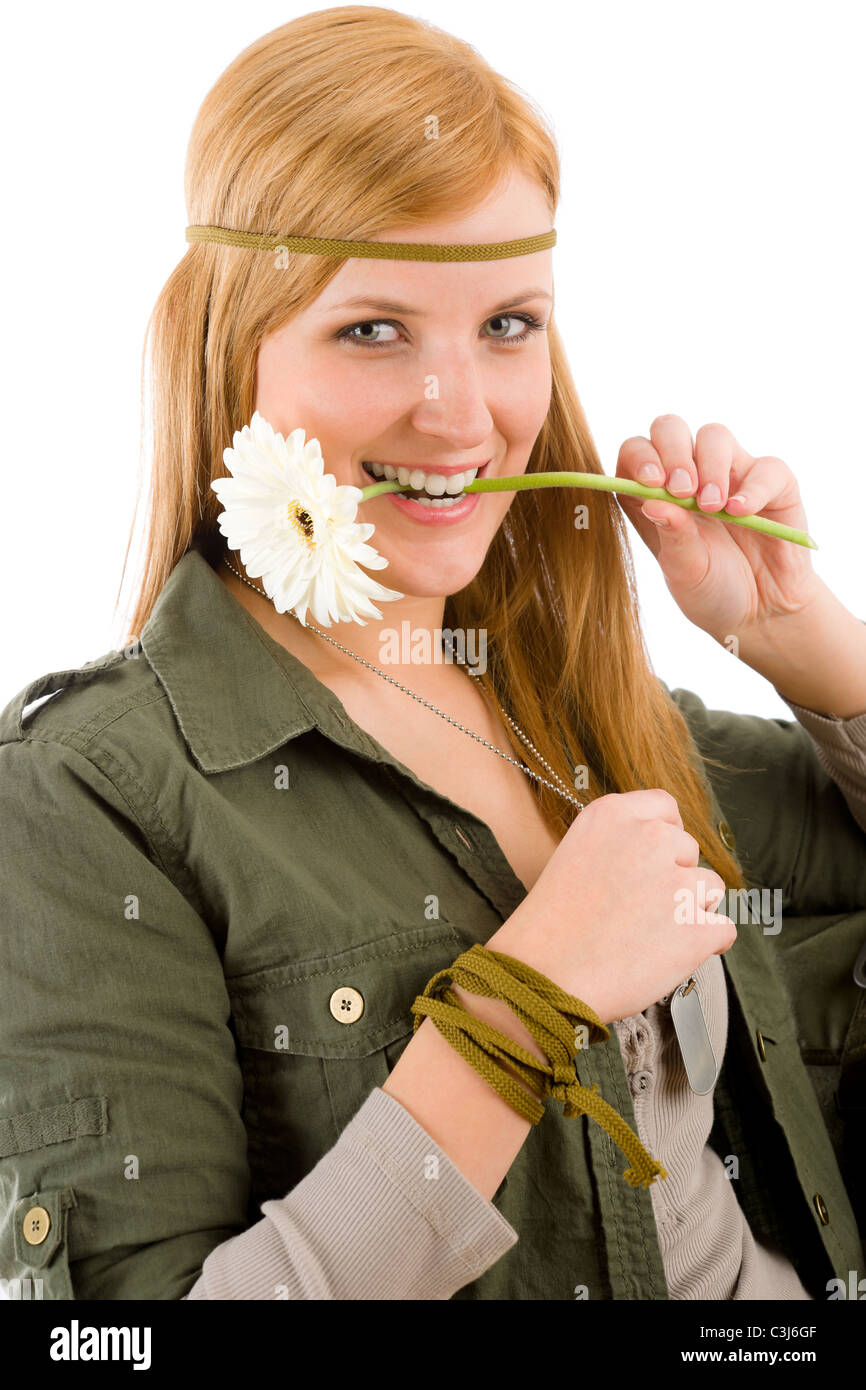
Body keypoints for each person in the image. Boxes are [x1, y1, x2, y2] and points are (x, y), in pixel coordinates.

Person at [0, 7, 864, 1302]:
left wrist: (804, 644)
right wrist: (523, 1004)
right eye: (373, 329)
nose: (459, 412)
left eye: (506, 324)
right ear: (235, 354)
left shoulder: (576, 708)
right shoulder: (87, 799)